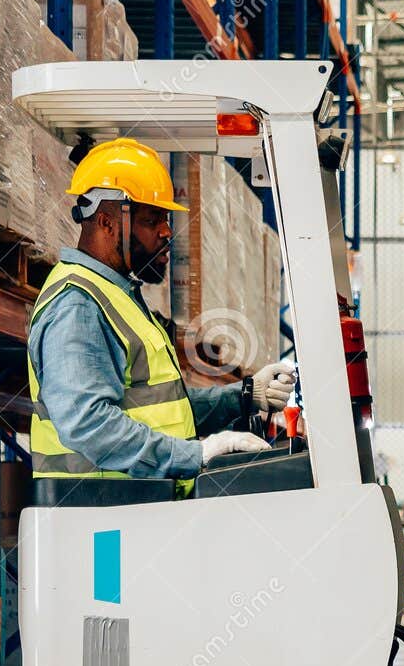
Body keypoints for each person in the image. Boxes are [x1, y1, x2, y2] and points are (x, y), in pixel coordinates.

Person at [27, 137, 295, 487]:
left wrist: (244, 395)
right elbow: (88, 425)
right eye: (152, 220)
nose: (168, 231)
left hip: (134, 509)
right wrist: (196, 455)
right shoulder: (78, 304)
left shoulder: (120, 296)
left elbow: (164, 410)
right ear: (107, 223)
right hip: (103, 520)